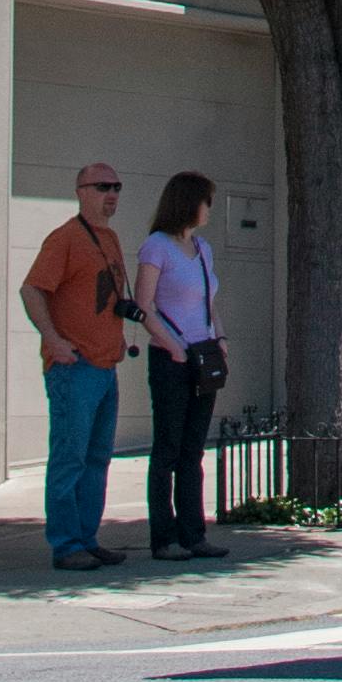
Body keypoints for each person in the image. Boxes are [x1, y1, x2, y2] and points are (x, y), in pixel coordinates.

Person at [20, 160, 134, 571]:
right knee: (70, 456)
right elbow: (32, 289)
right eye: (104, 186)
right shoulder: (65, 239)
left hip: (105, 367)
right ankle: (66, 543)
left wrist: (117, 336)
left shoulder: (110, 239)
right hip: (75, 366)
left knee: (97, 457)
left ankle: (87, 536)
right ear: (81, 191)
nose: (112, 194)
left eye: (117, 187)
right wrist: (54, 339)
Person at [132, 172, 233, 566]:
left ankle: (195, 534)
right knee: (168, 449)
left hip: (203, 357)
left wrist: (221, 340)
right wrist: (173, 346)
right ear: (189, 202)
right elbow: (144, 305)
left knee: (193, 450)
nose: (209, 208)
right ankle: (164, 538)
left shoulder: (203, 248)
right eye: (206, 200)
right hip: (171, 359)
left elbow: (210, 304)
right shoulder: (156, 247)